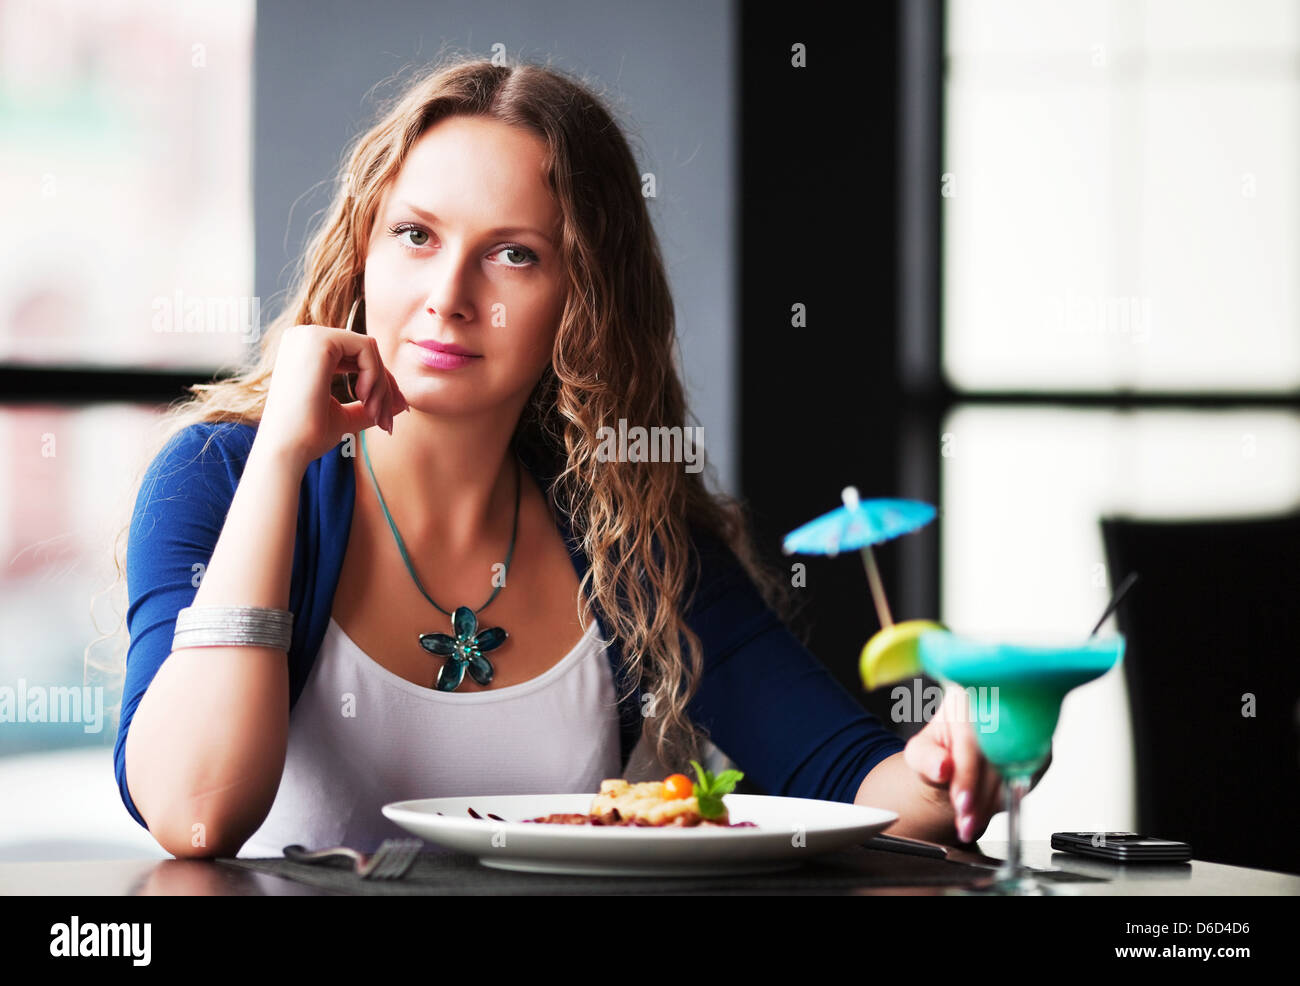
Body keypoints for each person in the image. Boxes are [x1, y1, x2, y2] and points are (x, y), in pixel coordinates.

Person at [113, 55, 1033, 860]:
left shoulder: (633, 534)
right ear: (362, 251)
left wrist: (955, 760)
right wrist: (282, 454)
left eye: (513, 254)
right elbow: (196, 816)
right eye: (416, 235)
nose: (448, 295)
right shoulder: (219, 476)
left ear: (582, 299)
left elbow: (862, 789)